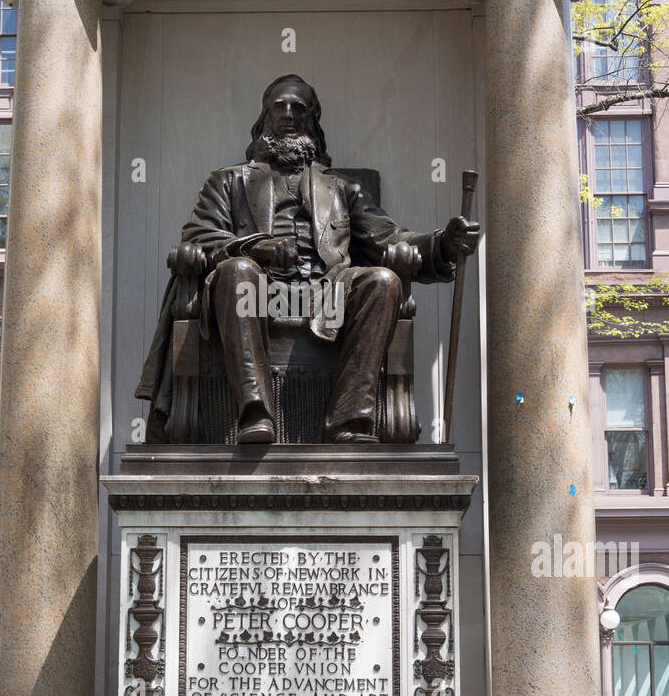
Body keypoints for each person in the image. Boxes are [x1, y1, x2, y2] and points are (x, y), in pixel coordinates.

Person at [138, 74, 479, 443]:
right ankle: (254, 416)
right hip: (254, 296)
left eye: (298, 108)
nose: (288, 114)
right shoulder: (228, 182)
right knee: (237, 271)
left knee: (382, 281)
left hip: (326, 294)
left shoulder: (342, 188)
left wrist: (445, 243)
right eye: (279, 106)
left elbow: (391, 239)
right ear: (264, 116)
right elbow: (198, 238)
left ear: (312, 121)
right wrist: (257, 247)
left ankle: (348, 421)